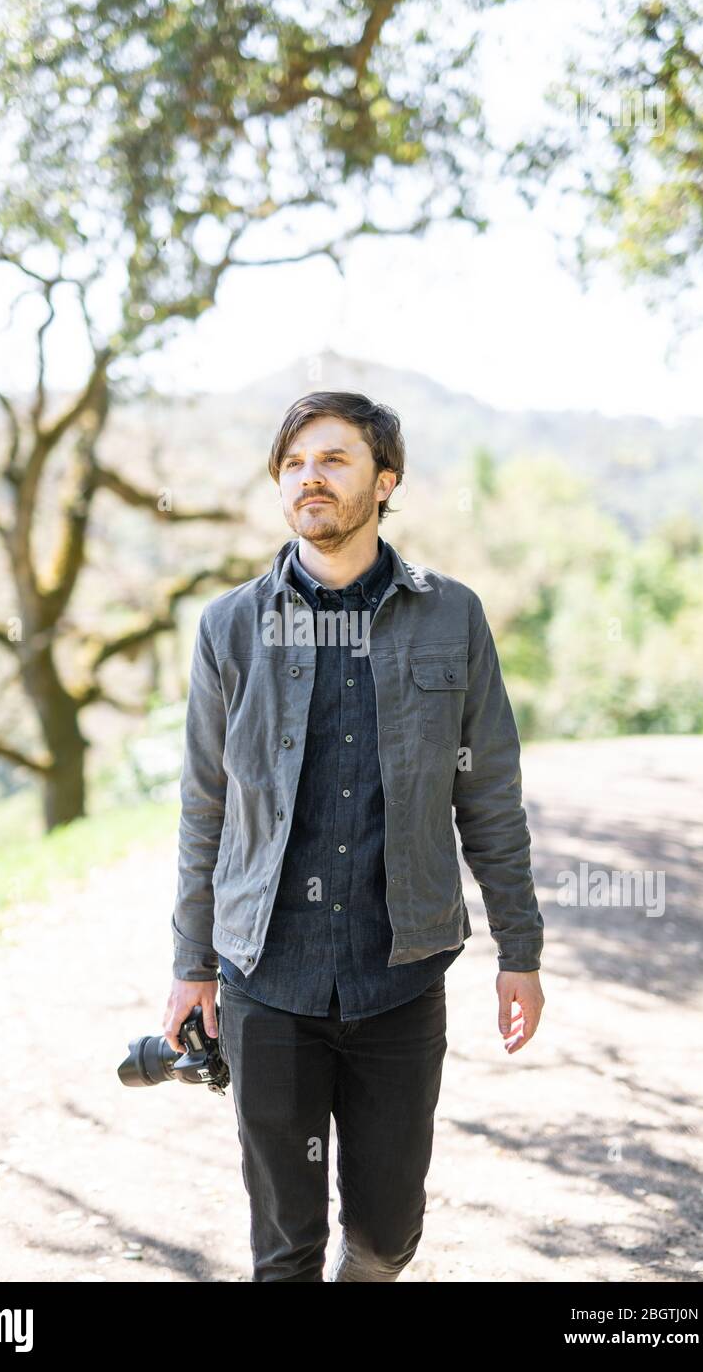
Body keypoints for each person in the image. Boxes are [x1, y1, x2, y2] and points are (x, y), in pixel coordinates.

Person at [163, 390, 545, 1282]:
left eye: (333, 460)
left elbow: (487, 793)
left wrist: (518, 950)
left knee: (384, 1236)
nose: (310, 478)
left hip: (399, 975)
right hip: (268, 978)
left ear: (386, 480)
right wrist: (192, 964)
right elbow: (204, 806)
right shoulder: (230, 626)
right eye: (294, 463)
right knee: (284, 1247)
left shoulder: (451, 615)